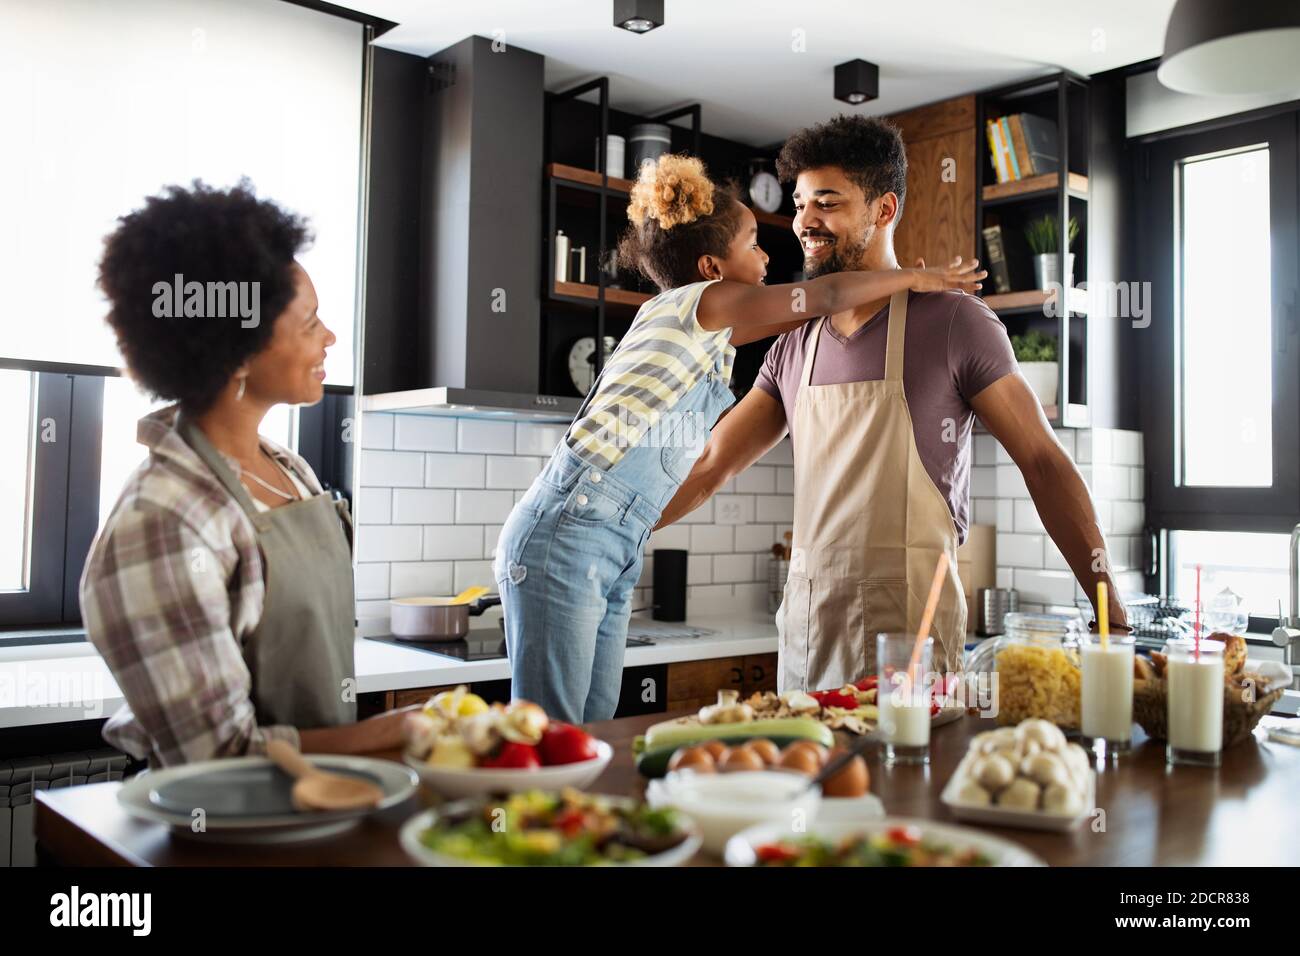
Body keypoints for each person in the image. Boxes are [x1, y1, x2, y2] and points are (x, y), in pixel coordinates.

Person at [495, 154, 985, 722]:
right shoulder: (704, 301)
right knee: (547, 730)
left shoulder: (702, 331)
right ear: (712, 266)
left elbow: (800, 325)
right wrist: (917, 278)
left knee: (595, 726)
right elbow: (820, 300)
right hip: (569, 527)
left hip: (606, 537)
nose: (768, 254)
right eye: (754, 243)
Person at [656, 116, 1130, 692]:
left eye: (826, 204)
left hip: (912, 645)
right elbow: (711, 465)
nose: (805, 222)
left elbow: (1043, 462)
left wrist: (1111, 609)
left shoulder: (957, 323)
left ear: (883, 210)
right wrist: (613, 539)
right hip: (807, 642)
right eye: (800, 203)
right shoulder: (793, 343)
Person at [82, 180, 411, 767]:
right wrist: (397, 732)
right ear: (236, 350)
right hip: (218, 838)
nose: (330, 336)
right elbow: (218, 757)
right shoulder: (162, 521)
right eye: (310, 323)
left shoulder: (288, 470)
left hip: (318, 816)